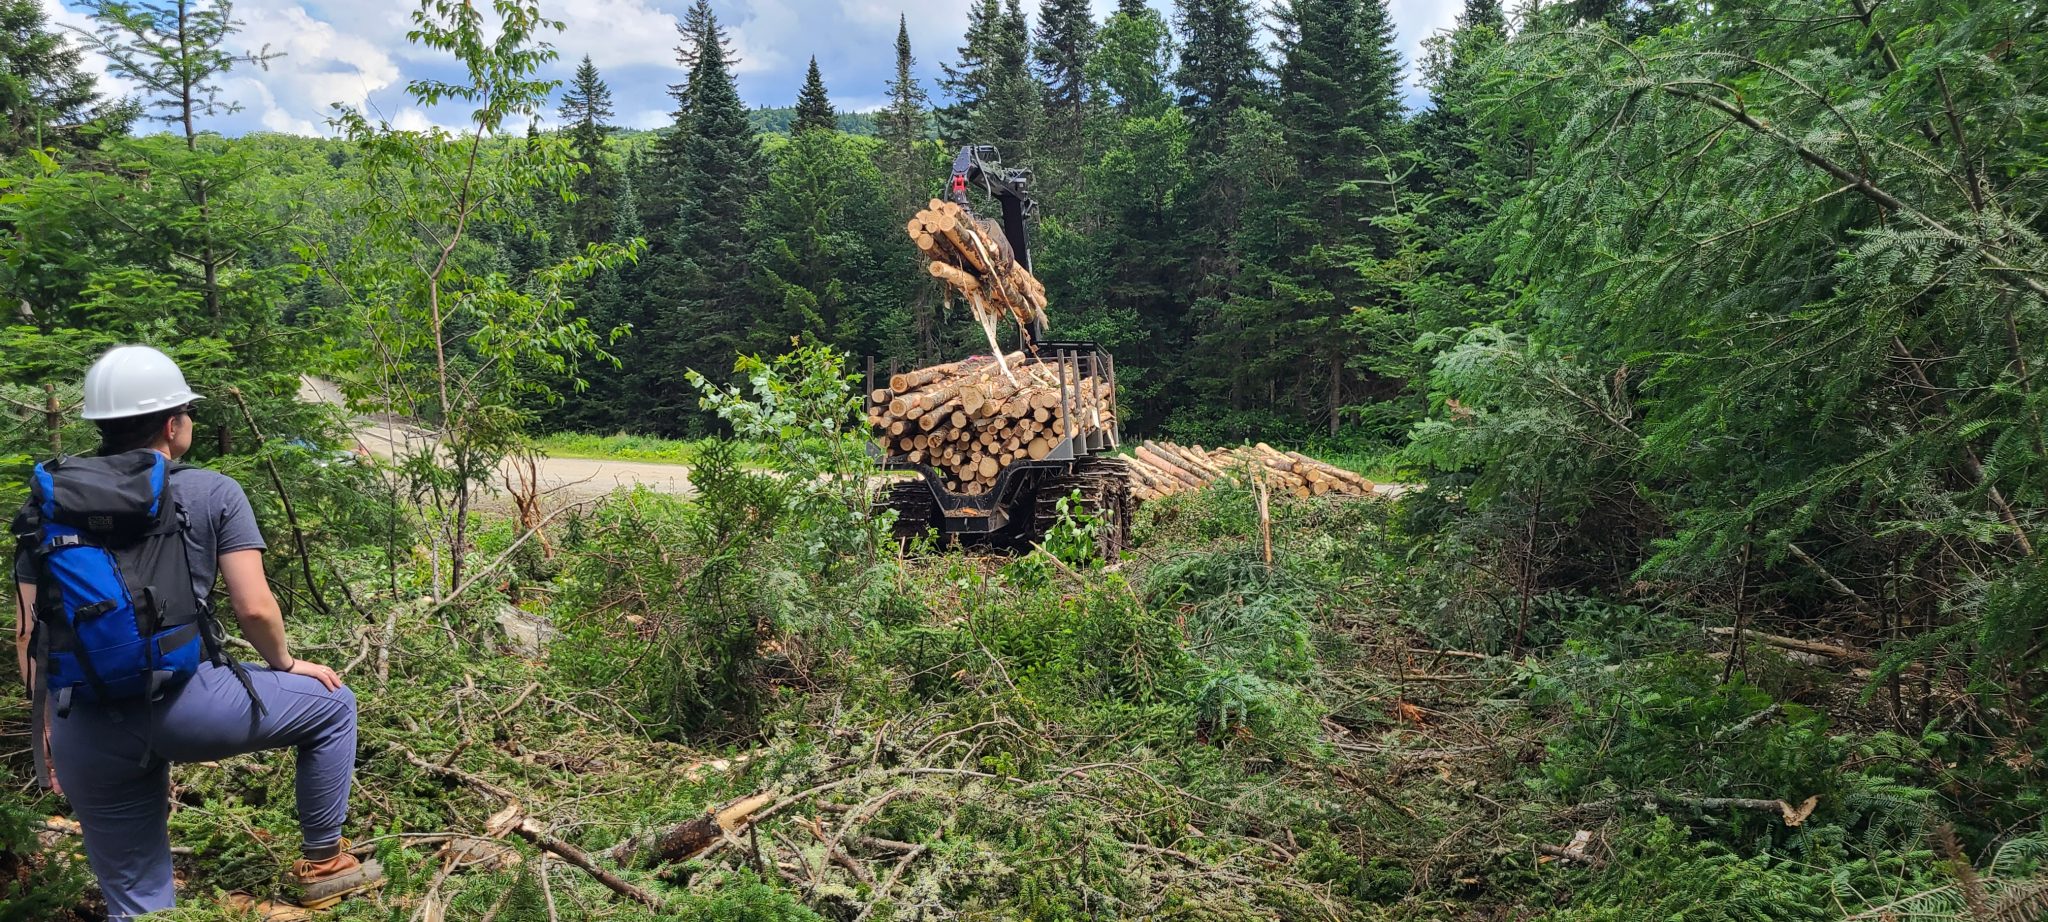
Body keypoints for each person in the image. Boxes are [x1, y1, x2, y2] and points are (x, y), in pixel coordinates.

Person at [11, 345, 380, 919]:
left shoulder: (48, 502)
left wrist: (49, 728)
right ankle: (324, 862)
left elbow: (28, 632)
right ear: (171, 423)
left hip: (86, 721)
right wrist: (284, 664)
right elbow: (254, 607)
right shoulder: (213, 491)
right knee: (334, 706)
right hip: (191, 702)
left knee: (137, 903)